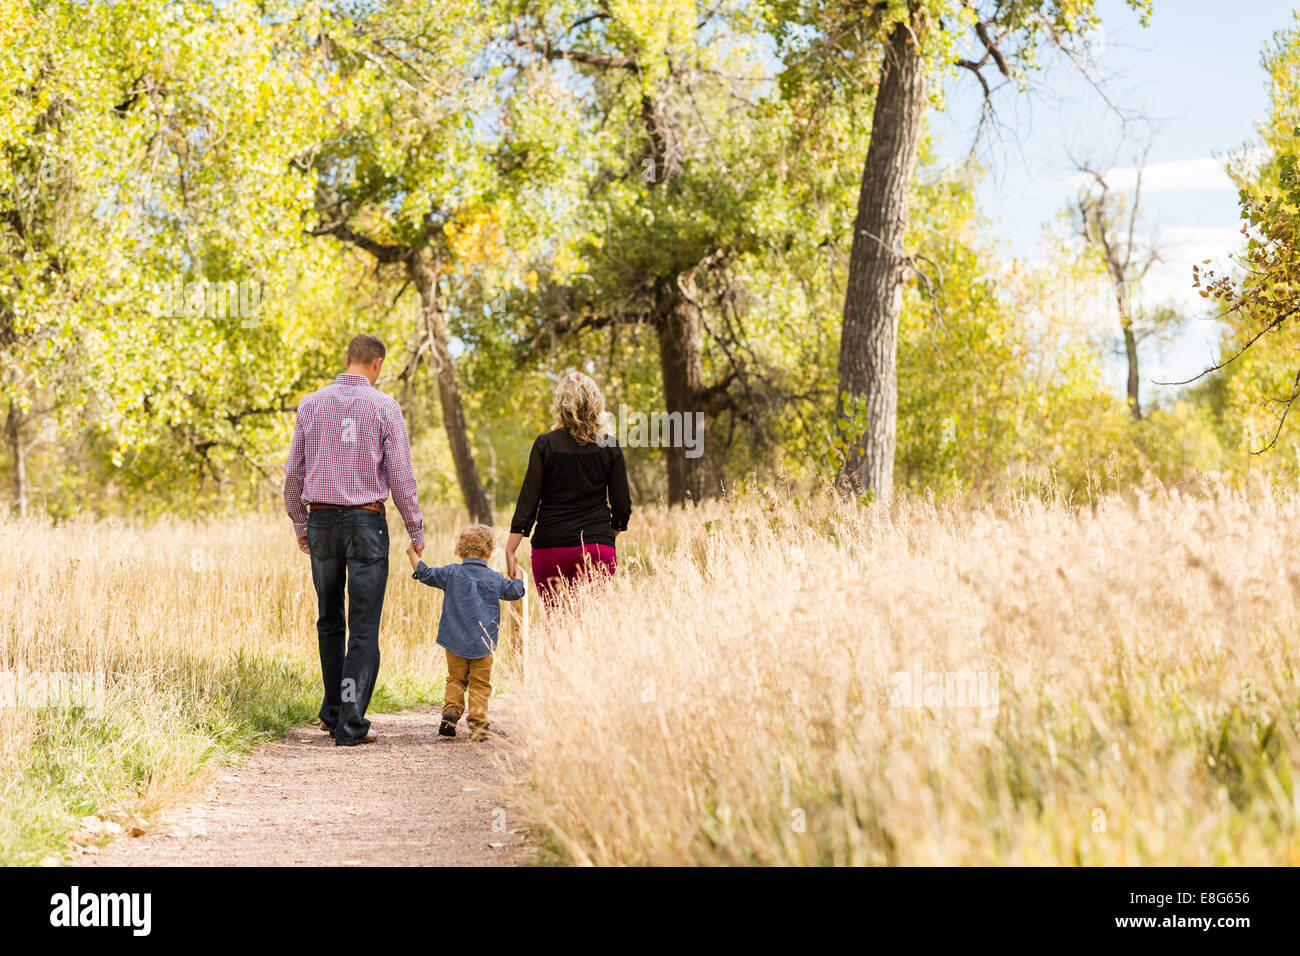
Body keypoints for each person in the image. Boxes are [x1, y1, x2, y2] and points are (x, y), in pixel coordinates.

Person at [283, 334, 424, 747]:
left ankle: (332, 713)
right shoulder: (385, 407)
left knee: (329, 620)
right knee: (362, 626)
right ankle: (349, 722)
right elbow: (401, 478)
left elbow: (293, 473)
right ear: (377, 364)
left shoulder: (310, 404)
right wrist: (415, 531)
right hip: (366, 524)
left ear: (347, 360)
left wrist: (299, 522)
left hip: (322, 521)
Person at [506, 371, 631, 604]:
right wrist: (604, 537)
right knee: (588, 626)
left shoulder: (545, 444)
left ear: (560, 406)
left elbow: (528, 501)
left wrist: (511, 550)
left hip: (551, 547)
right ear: (596, 404)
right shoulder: (610, 446)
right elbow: (622, 508)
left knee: (558, 625)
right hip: (597, 548)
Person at [406, 526, 525, 740]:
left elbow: (424, 574)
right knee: (480, 684)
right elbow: (515, 592)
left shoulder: (451, 573)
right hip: (483, 645)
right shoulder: (495, 578)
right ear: (489, 551)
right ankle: (478, 725)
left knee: (455, 679)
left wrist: (412, 554)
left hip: (455, 642)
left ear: (460, 549)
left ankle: (450, 712)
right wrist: (517, 576)